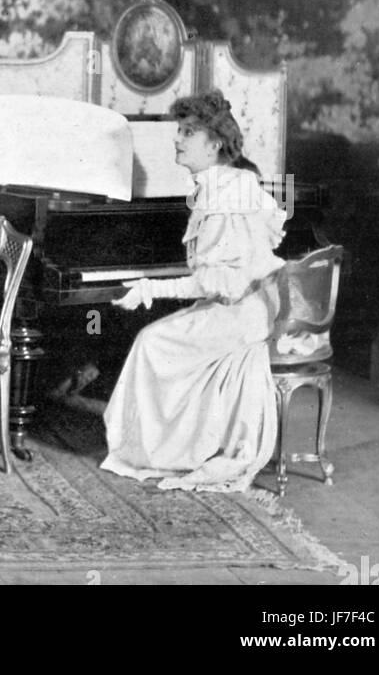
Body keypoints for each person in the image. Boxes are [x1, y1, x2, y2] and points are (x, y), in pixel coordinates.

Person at [100, 90, 287, 493]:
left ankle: (169, 451)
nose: (177, 139)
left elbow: (220, 282)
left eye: (188, 132)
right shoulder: (221, 185)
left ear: (214, 143)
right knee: (155, 339)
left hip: (241, 313)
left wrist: (152, 287)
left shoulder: (227, 195)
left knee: (151, 341)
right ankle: (173, 442)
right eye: (179, 131)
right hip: (235, 305)